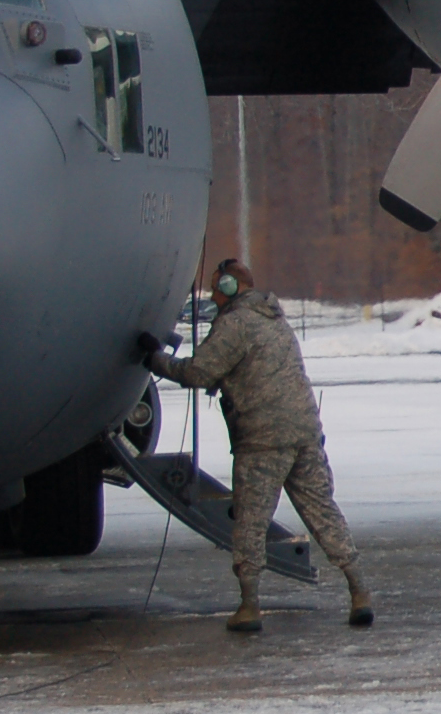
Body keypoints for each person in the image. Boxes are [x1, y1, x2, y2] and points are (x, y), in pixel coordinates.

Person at [140, 258, 373, 634]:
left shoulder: (236, 324)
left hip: (263, 439)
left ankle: (249, 606)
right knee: (323, 513)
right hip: (305, 432)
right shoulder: (275, 319)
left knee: (251, 522)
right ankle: (360, 592)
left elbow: (200, 372)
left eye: (217, 287)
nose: (213, 295)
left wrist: (156, 360)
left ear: (230, 287)